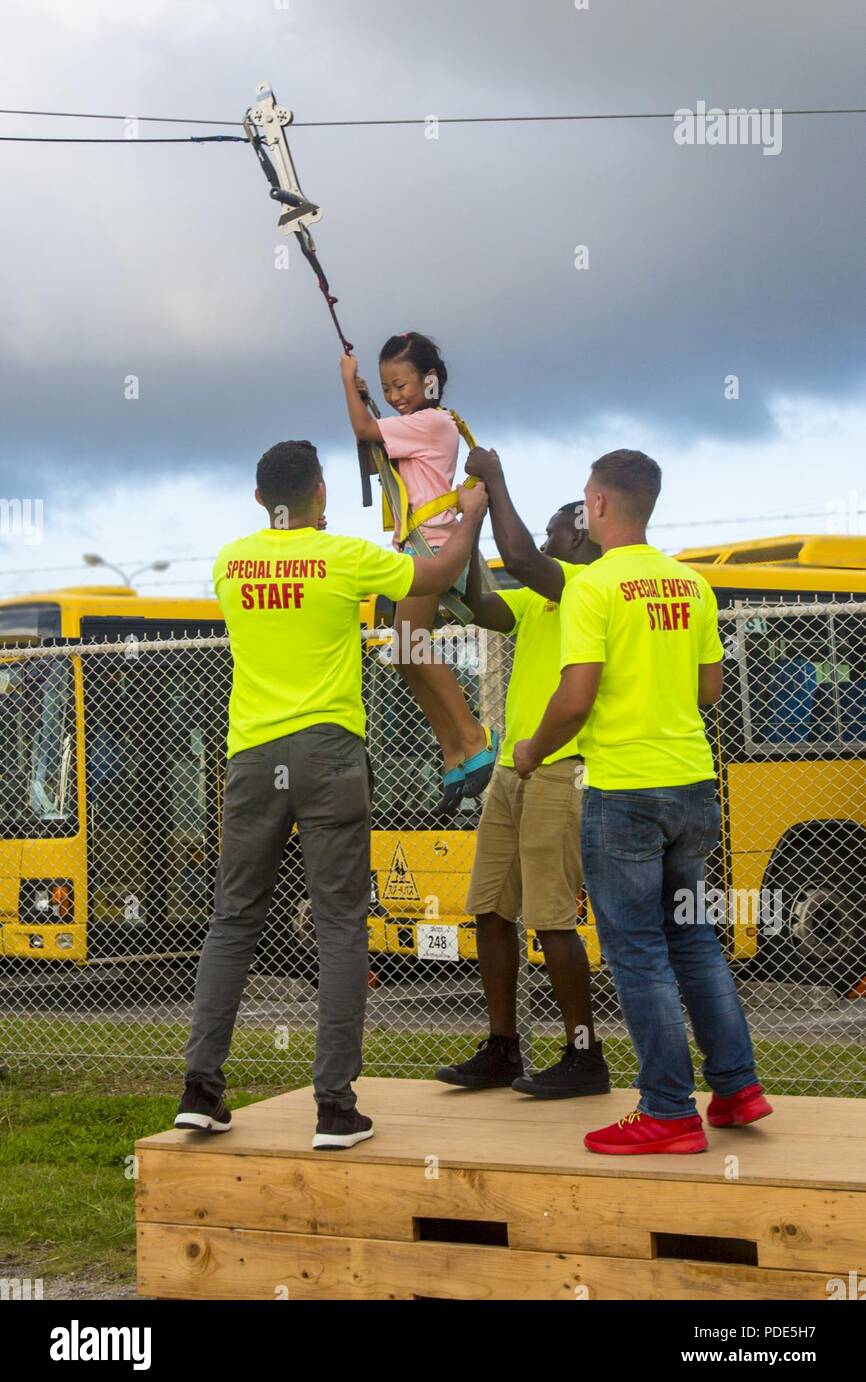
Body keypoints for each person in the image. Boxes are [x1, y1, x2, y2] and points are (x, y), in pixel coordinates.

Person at [176, 439, 488, 1150]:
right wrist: (467, 513)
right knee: (341, 924)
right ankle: (334, 1108)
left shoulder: (228, 563)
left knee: (233, 919)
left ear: (259, 499)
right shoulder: (343, 557)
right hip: (329, 752)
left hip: (252, 757)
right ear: (321, 493)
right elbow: (438, 572)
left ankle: (200, 1090)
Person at [514, 449, 771, 1155]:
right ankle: (737, 1089)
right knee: (694, 939)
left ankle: (668, 1111)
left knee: (637, 952)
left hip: (624, 791)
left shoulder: (592, 588)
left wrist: (531, 750)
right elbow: (710, 690)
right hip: (692, 782)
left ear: (597, 505)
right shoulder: (692, 585)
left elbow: (576, 697)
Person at [436, 447, 610, 1098]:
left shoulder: (584, 585)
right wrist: (473, 513)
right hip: (513, 771)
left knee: (553, 919)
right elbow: (480, 599)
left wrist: (496, 480)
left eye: (553, 528)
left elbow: (522, 557)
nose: (543, 537)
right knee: (488, 911)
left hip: (559, 770)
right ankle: (503, 1048)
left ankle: (583, 1055)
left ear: (581, 533)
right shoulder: (541, 599)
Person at [340, 332, 498, 813]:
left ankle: (473, 735)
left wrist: (347, 383)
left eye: (401, 385)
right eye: (387, 388)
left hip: (434, 546)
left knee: (409, 642)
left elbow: (366, 432)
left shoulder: (432, 422)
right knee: (406, 654)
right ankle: (453, 750)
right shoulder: (417, 424)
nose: (394, 396)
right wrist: (367, 399)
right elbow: (376, 431)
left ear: (430, 382)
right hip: (415, 548)